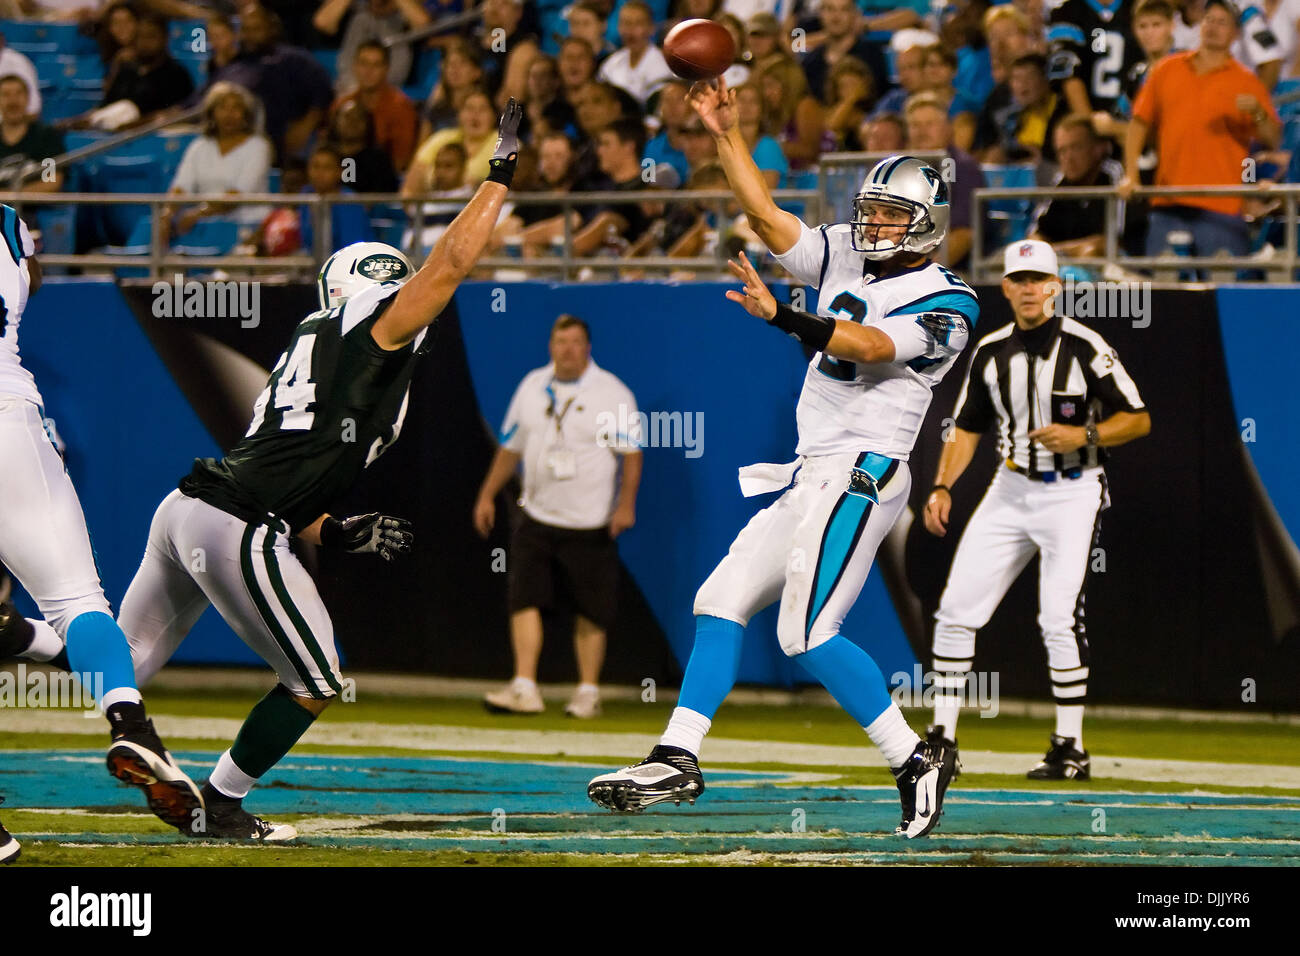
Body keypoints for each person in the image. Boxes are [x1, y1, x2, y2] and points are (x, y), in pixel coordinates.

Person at [111, 102, 523, 841]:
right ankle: (220, 804)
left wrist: (330, 532)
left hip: (190, 509)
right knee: (318, 678)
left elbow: (287, 464)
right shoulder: (373, 323)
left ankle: (38, 650)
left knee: (119, 669)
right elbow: (453, 264)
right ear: (372, 287)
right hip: (238, 522)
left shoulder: (316, 345)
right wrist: (499, 175)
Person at [587, 75, 978, 839]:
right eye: (870, 212)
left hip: (867, 473)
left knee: (806, 633)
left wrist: (783, 318)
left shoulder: (951, 300)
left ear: (927, 223)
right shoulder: (842, 258)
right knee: (718, 597)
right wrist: (723, 132)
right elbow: (766, 217)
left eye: (893, 215)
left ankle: (914, 758)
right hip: (812, 474)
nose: (874, 227)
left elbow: (867, 344)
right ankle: (678, 756)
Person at [0, 203, 204, 846]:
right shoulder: (8, 223)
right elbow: (27, 274)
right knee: (79, 603)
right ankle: (130, 724)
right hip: (7, 419)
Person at [923, 239, 1151, 780]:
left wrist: (1084, 434)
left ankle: (1070, 746)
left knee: (1056, 617)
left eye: (1037, 280)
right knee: (955, 610)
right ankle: (943, 739)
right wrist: (941, 486)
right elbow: (967, 427)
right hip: (1010, 486)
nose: (1028, 289)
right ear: (1005, 288)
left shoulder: (1085, 346)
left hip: (1072, 491)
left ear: (1055, 285)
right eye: (1018, 280)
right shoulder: (990, 351)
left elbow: (1138, 418)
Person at [475, 315, 643, 719]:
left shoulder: (612, 393)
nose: (567, 349)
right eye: (560, 341)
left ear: (588, 347)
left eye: (575, 342)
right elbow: (510, 446)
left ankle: (587, 691)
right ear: (550, 345)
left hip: (589, 520)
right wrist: (487, 494)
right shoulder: (533, 385)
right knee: (524, 599)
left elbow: (633, 456)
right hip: (536, 515)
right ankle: (525, 686)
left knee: (591, 609)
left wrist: (625, 505)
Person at [1120, 0, 1280, 262]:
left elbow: (1272, 139)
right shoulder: (1166, 69)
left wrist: (1259, 113)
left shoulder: (1247, 81)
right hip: (1168, 203)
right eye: (1209, 19)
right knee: (1162, 295)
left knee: (1223, 295)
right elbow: (1138, 123)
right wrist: (1131, 174)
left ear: (1235, 34)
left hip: (1222, 208)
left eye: (1222, 22)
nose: (1213, 27)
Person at [165, 82, 273, 238]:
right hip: (203, 225)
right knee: (152, 228)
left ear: (246, 114)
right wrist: (167, 214)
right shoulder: (199, 146)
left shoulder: (259, 147)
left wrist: (199, 213)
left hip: (246, 225)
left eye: (236, 108)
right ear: (212, 113)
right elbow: (181, 187)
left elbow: (238, 196)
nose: (229, 114)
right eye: (223, 107)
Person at [1028, 115, 1125, 257]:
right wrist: (1058, 250)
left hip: (1115, 267)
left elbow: (1111, 242)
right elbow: (1034, 236)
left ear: (1097, 149)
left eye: (1076, 148)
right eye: (1062, 151)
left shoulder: (1114, 175)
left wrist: (1056, 251)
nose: (1068, 158)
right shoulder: (1060, 182)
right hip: (1067, 263)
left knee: (1090, 253)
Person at [331, 40, 419, 174]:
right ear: (355, 66)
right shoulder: (342, 105)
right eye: (363, 64)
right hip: (343, 178)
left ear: (386, 69)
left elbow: (401, 162)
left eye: (376, 65)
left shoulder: (401, 107)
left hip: (382, 182)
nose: (368, 71)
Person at [312, 0, 431, 92]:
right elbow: (323, 22)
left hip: (390, 90)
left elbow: (423, 25)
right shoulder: (356, 8)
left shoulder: (405, 11)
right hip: (348, 87)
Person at [597, 0, 675, 107]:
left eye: (638, 23)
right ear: (619, 28)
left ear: (651, 28)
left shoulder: (663, 66)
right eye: (626, 23)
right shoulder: (610, 65)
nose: (631, 31)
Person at [0, 75, 65, 191]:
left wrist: (10, 197)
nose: (13, 100)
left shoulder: (46, 136)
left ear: (28, 98)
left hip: (36, 207)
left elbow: (51, 181)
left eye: (18, 93)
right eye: (6, 94)